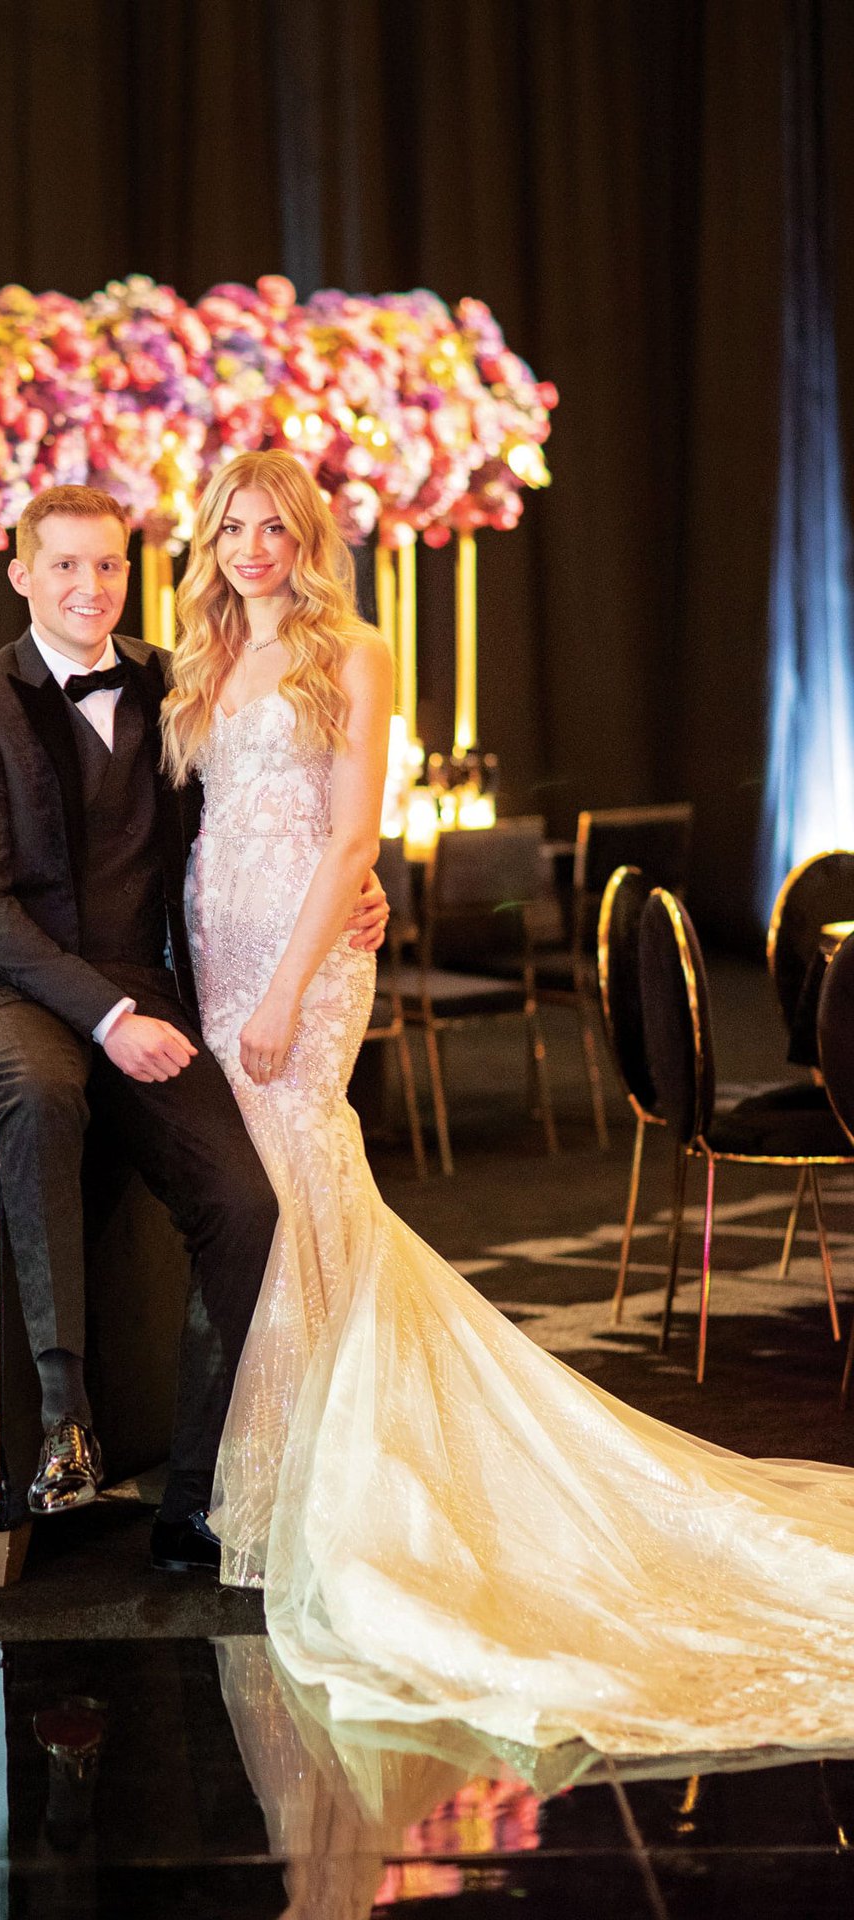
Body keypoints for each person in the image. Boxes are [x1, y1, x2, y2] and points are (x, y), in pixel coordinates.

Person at [164, 448, 854, 1755]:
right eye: (235, 525)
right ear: (212, 537)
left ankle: (318, 1489)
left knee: (302, 1169)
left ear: (309, 536)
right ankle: (281, 1470)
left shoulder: (352, 655)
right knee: (277, 1205)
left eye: (275, 525)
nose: (254, 545)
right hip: (211, 952)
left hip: (301, 974)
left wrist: (284, 985)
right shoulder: (200, 663)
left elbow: (354, 839)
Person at [0, 484, 385, 1571]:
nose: (89, 587)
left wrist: (363, 892)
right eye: (66, 566)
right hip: (4, 985)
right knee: (43, 1090)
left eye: (108, 566)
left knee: (244, 1197)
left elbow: (256, 819)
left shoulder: (176, 680)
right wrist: (109, 1013)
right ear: (22, 573)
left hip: (151, 985)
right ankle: (62, 1413)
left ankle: (204, 1497)